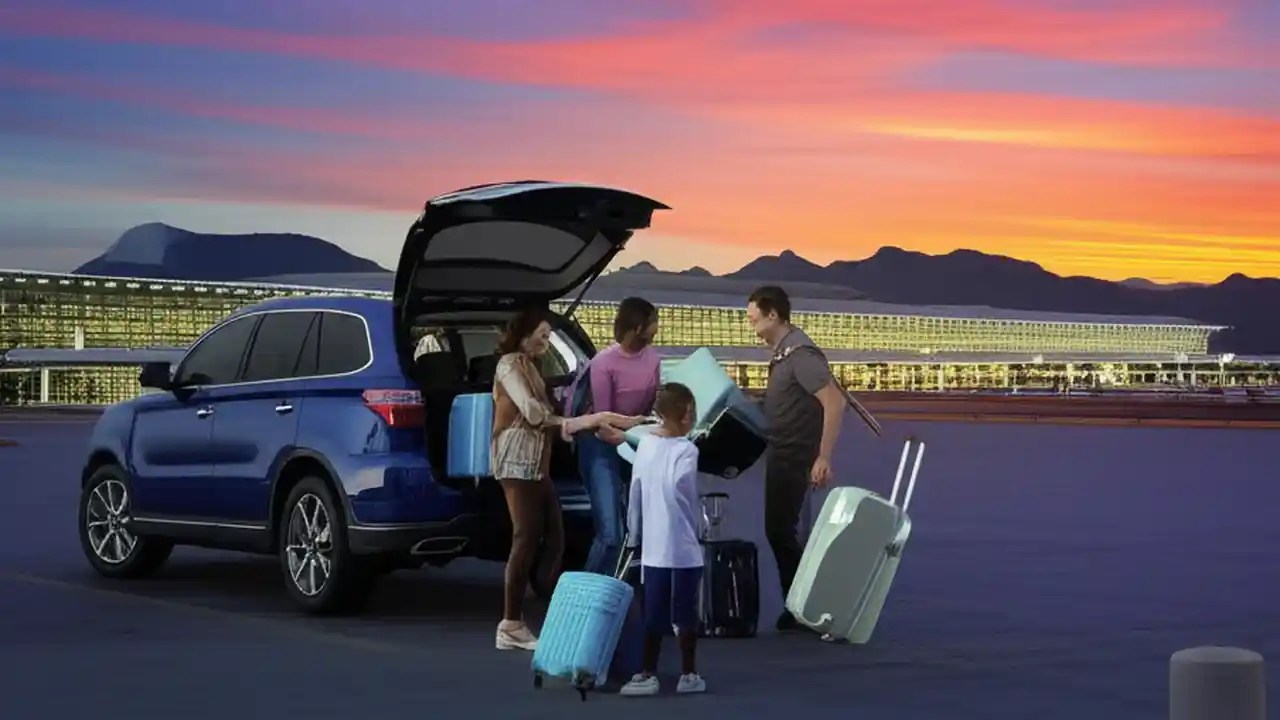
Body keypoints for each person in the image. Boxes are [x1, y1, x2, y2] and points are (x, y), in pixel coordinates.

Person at [491, 304, 646, 651]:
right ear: (525, 334)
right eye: (543, 336)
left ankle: (559, 614)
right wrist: (564, 422)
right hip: (516, 462)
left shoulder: (531, 366)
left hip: (536, 465)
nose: (546, 342)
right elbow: (530, 411)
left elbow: (546, 413)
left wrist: (615, 421)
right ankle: (511, 623)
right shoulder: (510, 364)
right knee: (526, 538)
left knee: (555, 539)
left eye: (549, 336)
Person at [745, 285, 845, 632]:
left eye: (754, 319)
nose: (752, 327)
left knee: (781, 530)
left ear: (773, 315)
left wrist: (823, 457)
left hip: (794, 455)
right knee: (783, 530)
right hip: (782, 452)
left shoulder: (801, 354)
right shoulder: (783, 354)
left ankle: (803, 605)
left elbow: (834, 401)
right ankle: (800, 604)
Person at [619, 382, 707, 696]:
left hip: (653, 548)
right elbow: (682, 492)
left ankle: (647, 672)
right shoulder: (688, 450)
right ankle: (689, 673)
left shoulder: (645, 446)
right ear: (685, 415)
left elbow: (636, 493)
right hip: (684, 547)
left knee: (653, 611)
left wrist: (635, 534)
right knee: (685, 613)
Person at [572, 296, 661, 575]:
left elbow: (648, 411)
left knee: (636, 533)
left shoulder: (654, 360)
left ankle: (619, 595)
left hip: (631, 441)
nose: (657, 328)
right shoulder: (603, 363)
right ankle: (582, 599)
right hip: (599, 443)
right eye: (653, 322)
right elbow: (602, 421)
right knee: (611, 534)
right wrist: (629, 433)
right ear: (638, 327)